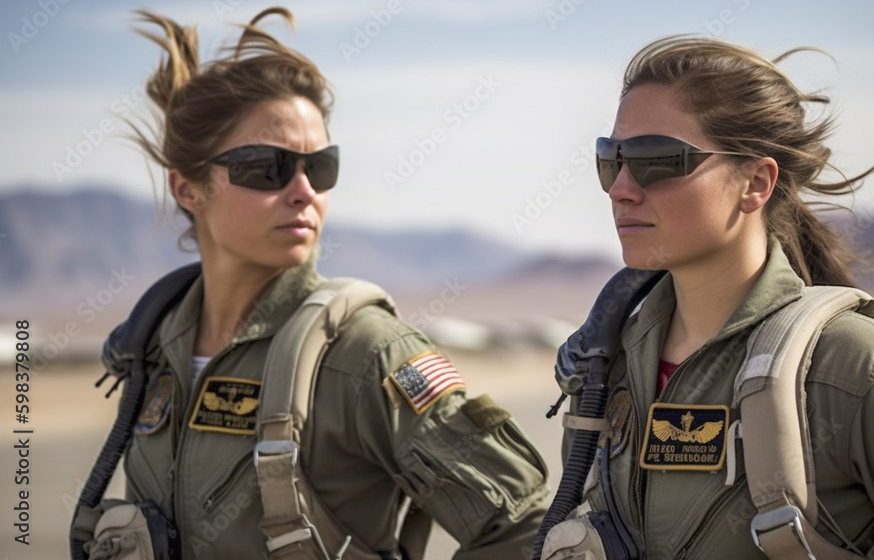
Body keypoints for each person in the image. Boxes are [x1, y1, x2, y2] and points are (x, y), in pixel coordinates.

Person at [78, 7, 548, 560]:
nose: (304, 191)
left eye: (319, 167)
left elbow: (523, 523)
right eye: (268, 167)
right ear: (188, 189)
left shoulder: (364, 352)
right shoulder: (153, 346)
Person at [539, 36, 874, 559]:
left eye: (656, 159)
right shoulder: (604, 370)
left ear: (755, 183)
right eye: (612, 159)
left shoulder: (860, 371)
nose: (620, 188)